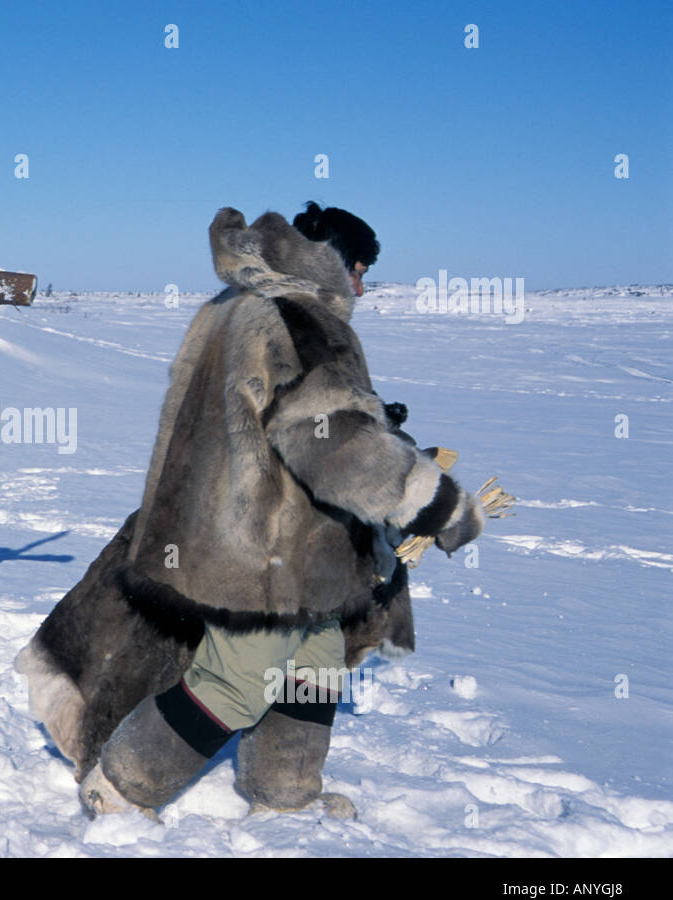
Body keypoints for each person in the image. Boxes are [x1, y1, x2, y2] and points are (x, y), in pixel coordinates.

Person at [73, 204, 486, 817]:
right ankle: (122, 788)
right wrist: (435, 503)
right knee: (239, 678)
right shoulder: (301, 319)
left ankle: (283, 790)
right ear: (332, 259)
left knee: (315, 663)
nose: (362, 287)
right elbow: (331, 440)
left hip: (287, 538)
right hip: (260, 545)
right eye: (360, 269)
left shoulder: (239, 302)